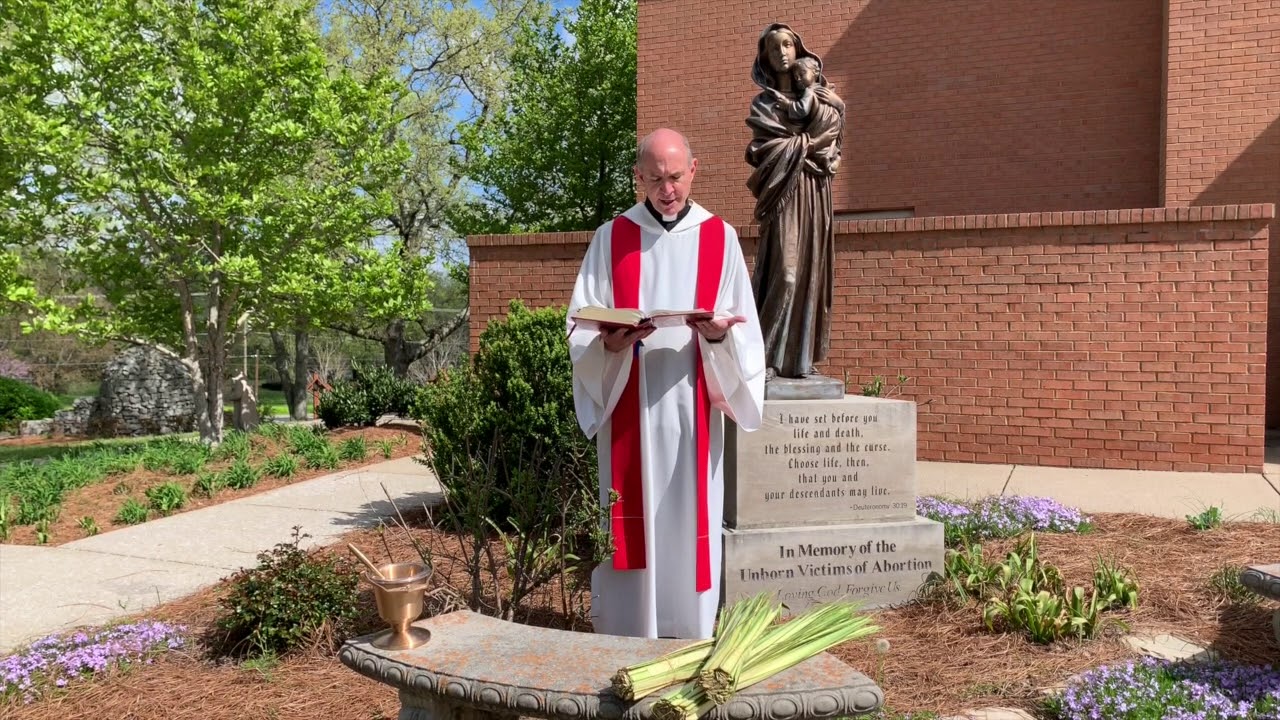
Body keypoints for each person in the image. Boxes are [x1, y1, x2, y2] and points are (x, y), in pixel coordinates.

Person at [566, 128, 766, 639]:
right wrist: (609, 344)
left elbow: (746, 336)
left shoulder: (720, 237)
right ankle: (628, 634)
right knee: (633, 517)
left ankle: (690, 632)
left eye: (675, 177)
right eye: (654, 178)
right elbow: (579, 326)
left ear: (693, 171)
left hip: (694, 408)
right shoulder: (610, 237)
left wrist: (719, 338)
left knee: (689, 518)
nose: (667, 189)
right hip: (629, 405)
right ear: (638, 177)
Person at [746, 23, 845, 379]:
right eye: (775, 48)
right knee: (786, 274)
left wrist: (831, 127)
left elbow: (834, 134)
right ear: (766, 60)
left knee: (809, 273)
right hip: (784, 190)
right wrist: (810, 145)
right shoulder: (764, 104)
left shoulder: (823, 97)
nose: (783, 52)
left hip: (815, 190)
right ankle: (764, 357)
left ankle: (801, 360)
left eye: (788, 44)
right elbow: (764, 149)